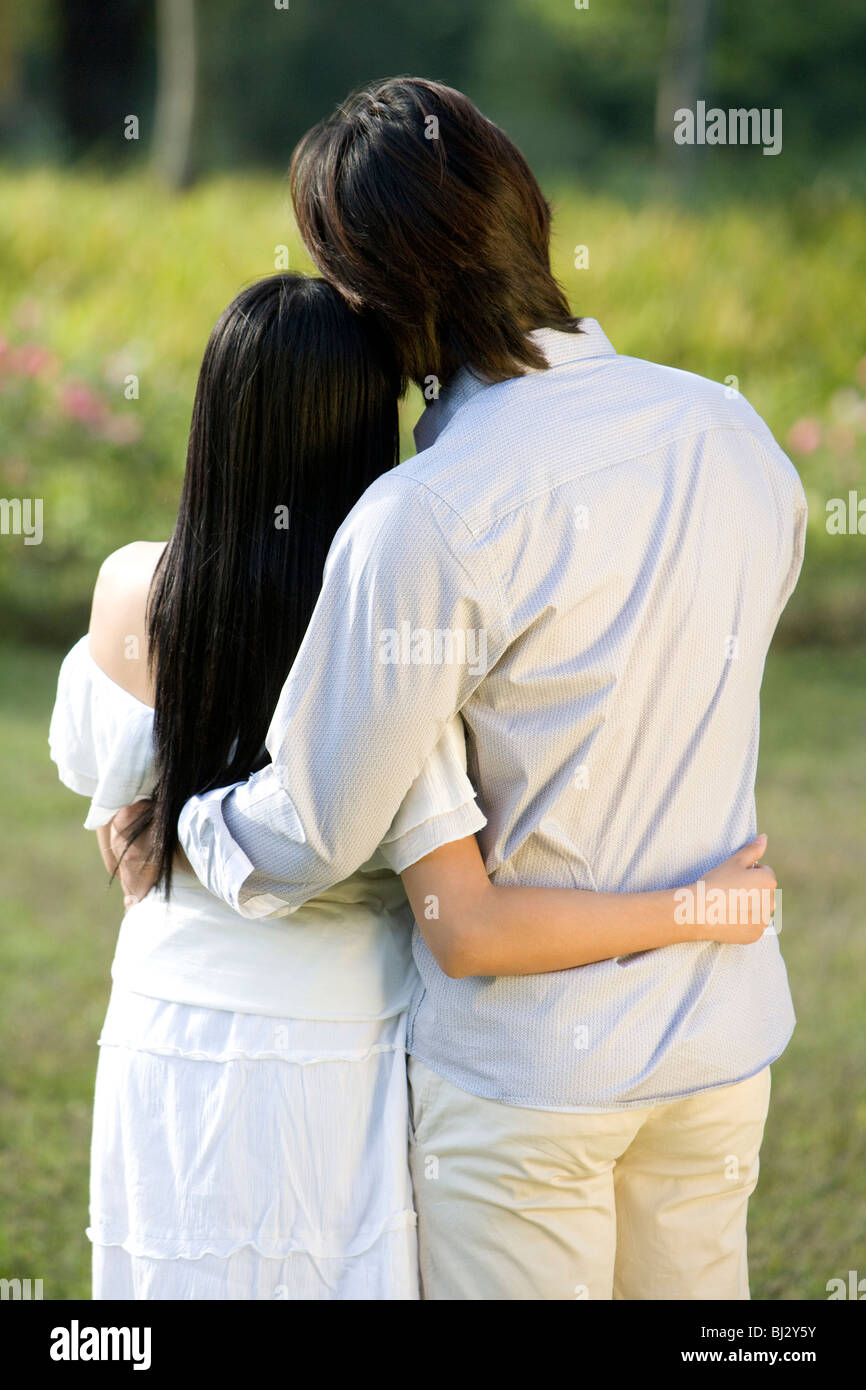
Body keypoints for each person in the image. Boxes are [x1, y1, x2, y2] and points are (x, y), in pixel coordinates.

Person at [115, 79, 808, 1301]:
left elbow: (318, 828)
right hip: (717, 1043)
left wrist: (188, 823)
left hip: (529, 1083)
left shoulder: (424, 518)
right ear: (520, 216)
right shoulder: (733, 435)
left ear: (376, 292)